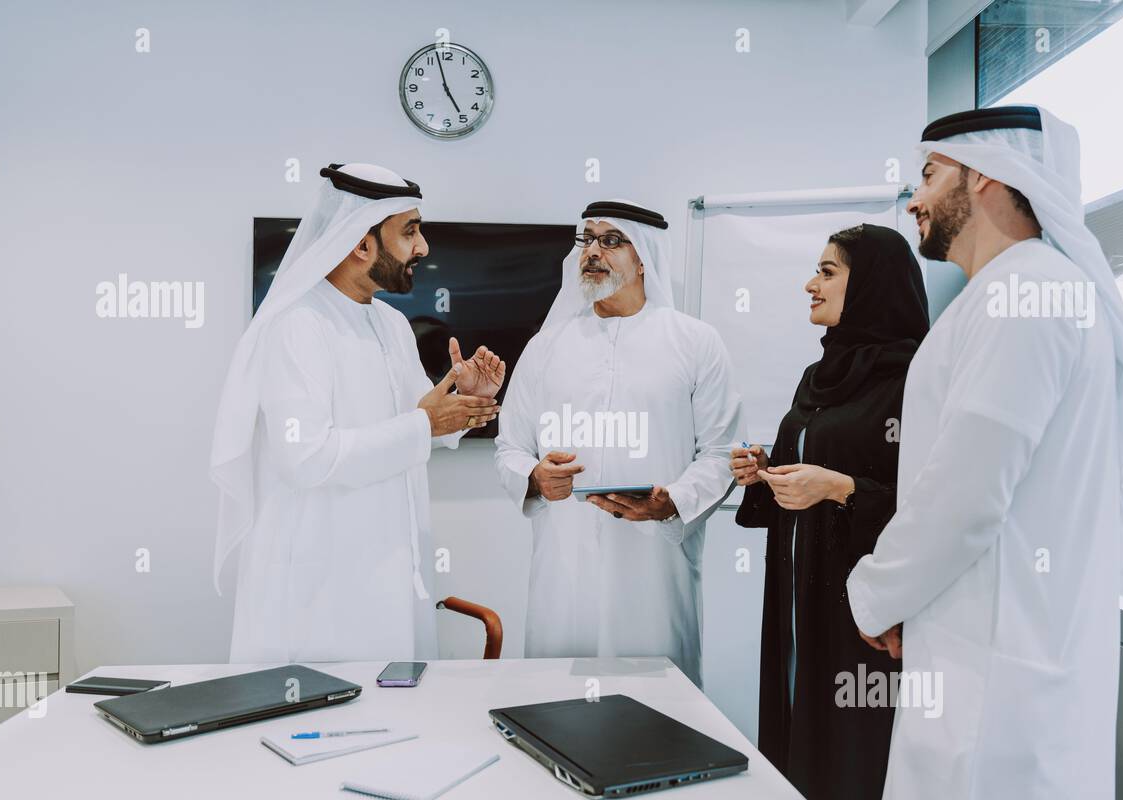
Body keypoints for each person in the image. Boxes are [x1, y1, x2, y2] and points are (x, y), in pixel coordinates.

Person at [845, 106, 1123, 800]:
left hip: (996, 686)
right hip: (976, 660)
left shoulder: (1032, 293)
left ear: (983, 174)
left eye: (928, 174)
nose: (913, 199)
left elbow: (965, 494)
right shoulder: (1002, 295)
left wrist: (875, 592)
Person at [211, 163, 505, 663]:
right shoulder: (297, 325)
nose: (423, 248)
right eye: (409, 231)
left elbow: (419, 422)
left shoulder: (389, 322)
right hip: (319, 587)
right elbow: (304, 457)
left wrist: (463, 403)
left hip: (389, 573)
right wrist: (425, 423)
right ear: (360, 243)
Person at [732, 224, 928, 800]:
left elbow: (933, 502)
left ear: (870, 285)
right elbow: (809, 467)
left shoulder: (916, 380)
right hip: (797, 595)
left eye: (827, 271)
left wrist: (841, 487)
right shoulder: (818, 375)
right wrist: (765, 469)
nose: (809, 284)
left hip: (865, 607)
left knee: (853, 747)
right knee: (797, 721)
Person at [494, 200, 741, 686]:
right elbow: (511, 447)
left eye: (611, 240)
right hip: (563, 573)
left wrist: (673, 501)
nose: (593, 252)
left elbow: (720, 453)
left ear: (645, 255)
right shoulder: (546, 346)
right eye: (587, 240)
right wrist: (535, 479)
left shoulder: (695, 342)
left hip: (654, 569)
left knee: (656, 717)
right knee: (557, 711)